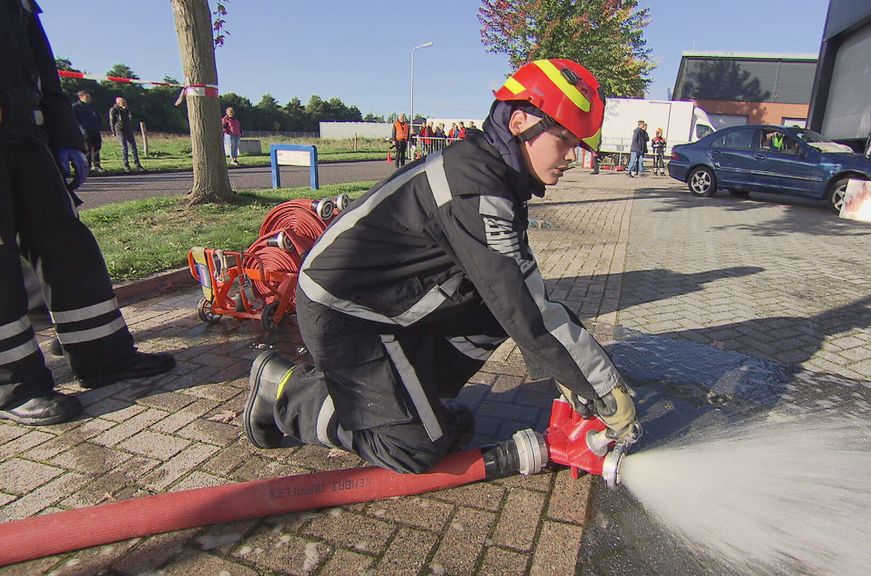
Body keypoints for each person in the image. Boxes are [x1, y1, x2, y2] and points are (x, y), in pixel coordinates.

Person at [243, 58, 638, 474]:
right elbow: (525, 309)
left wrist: (576, 374)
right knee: (413, 450)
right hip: (344, 314)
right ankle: (286, 392)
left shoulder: (493, 175)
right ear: (521, 122)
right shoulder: (476, 186)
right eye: (565, 140)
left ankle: (414, 404)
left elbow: (523, 294)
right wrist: (602, 387)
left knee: (498, 312)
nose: (573, 157)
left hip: (387, 305)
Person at [1, 0, 175, 426]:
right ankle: (15, 384)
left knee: (66, 244)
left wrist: (64, 135)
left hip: (26, 134)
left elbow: (38, 61)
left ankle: (103, 356)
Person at [72, 90, 103, 174]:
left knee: (97, 147)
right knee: (87, 149)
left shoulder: (91, 107)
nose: (89, 98)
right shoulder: (76, 107)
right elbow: (73, 119)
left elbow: (98, 117)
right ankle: (87, 167)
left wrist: (99, 126)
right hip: (85, 131)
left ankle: (96, 165)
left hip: (95, 130)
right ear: (81, 97)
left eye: (89, 97)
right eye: (87, 97)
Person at [109, 96, 143, 171]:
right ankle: (126, 165)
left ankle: (138, 165)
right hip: (120, 130)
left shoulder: (127, 109)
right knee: (124, 148)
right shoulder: (114, 110)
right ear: (118, 103)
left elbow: (131, 119)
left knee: (134, 147)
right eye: (123, 102)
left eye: (125, 102)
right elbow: (112, 121)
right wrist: (113, 131)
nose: (125, 104)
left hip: (128, 130)